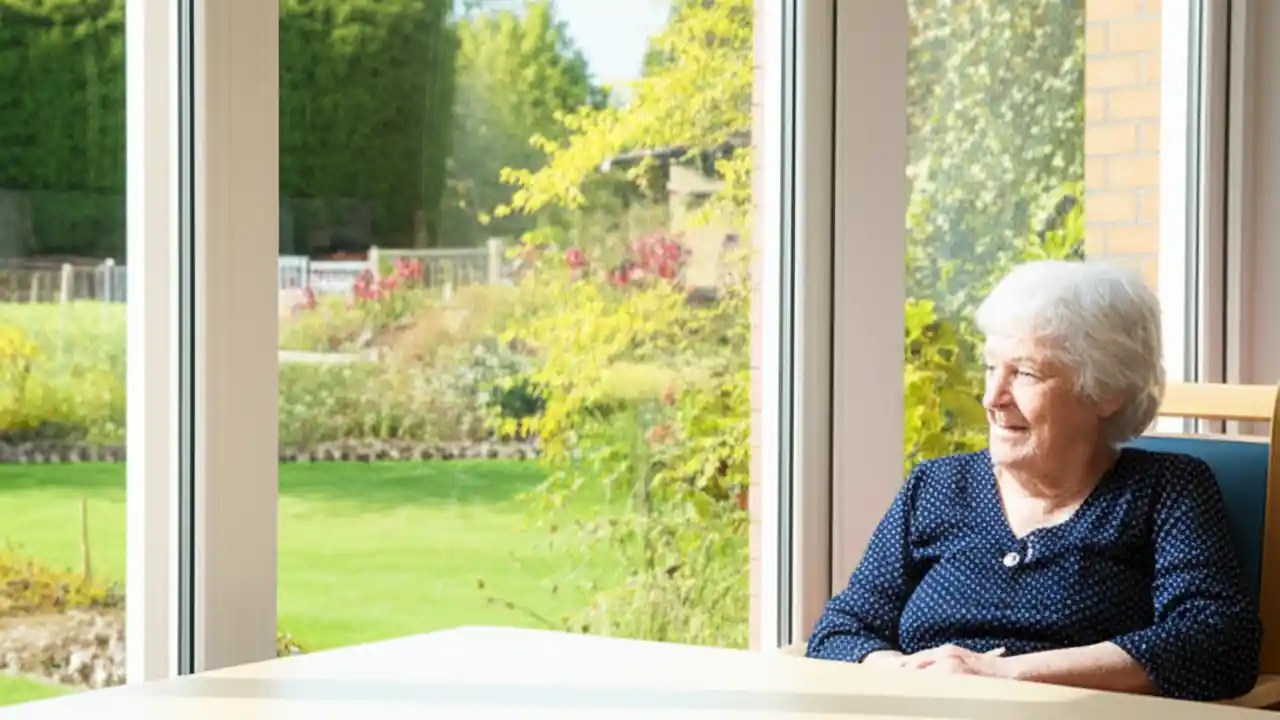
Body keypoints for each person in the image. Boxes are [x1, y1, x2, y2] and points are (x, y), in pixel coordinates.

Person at [805, 260, 1261, 701]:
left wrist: (1004, 674)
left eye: (1024, 373)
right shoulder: (936, 486)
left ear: (1105, 392)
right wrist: (911, 673)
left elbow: (1216, 641)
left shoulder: (1165, 489)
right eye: (990, 367)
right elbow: (840, 631)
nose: (991, 397)